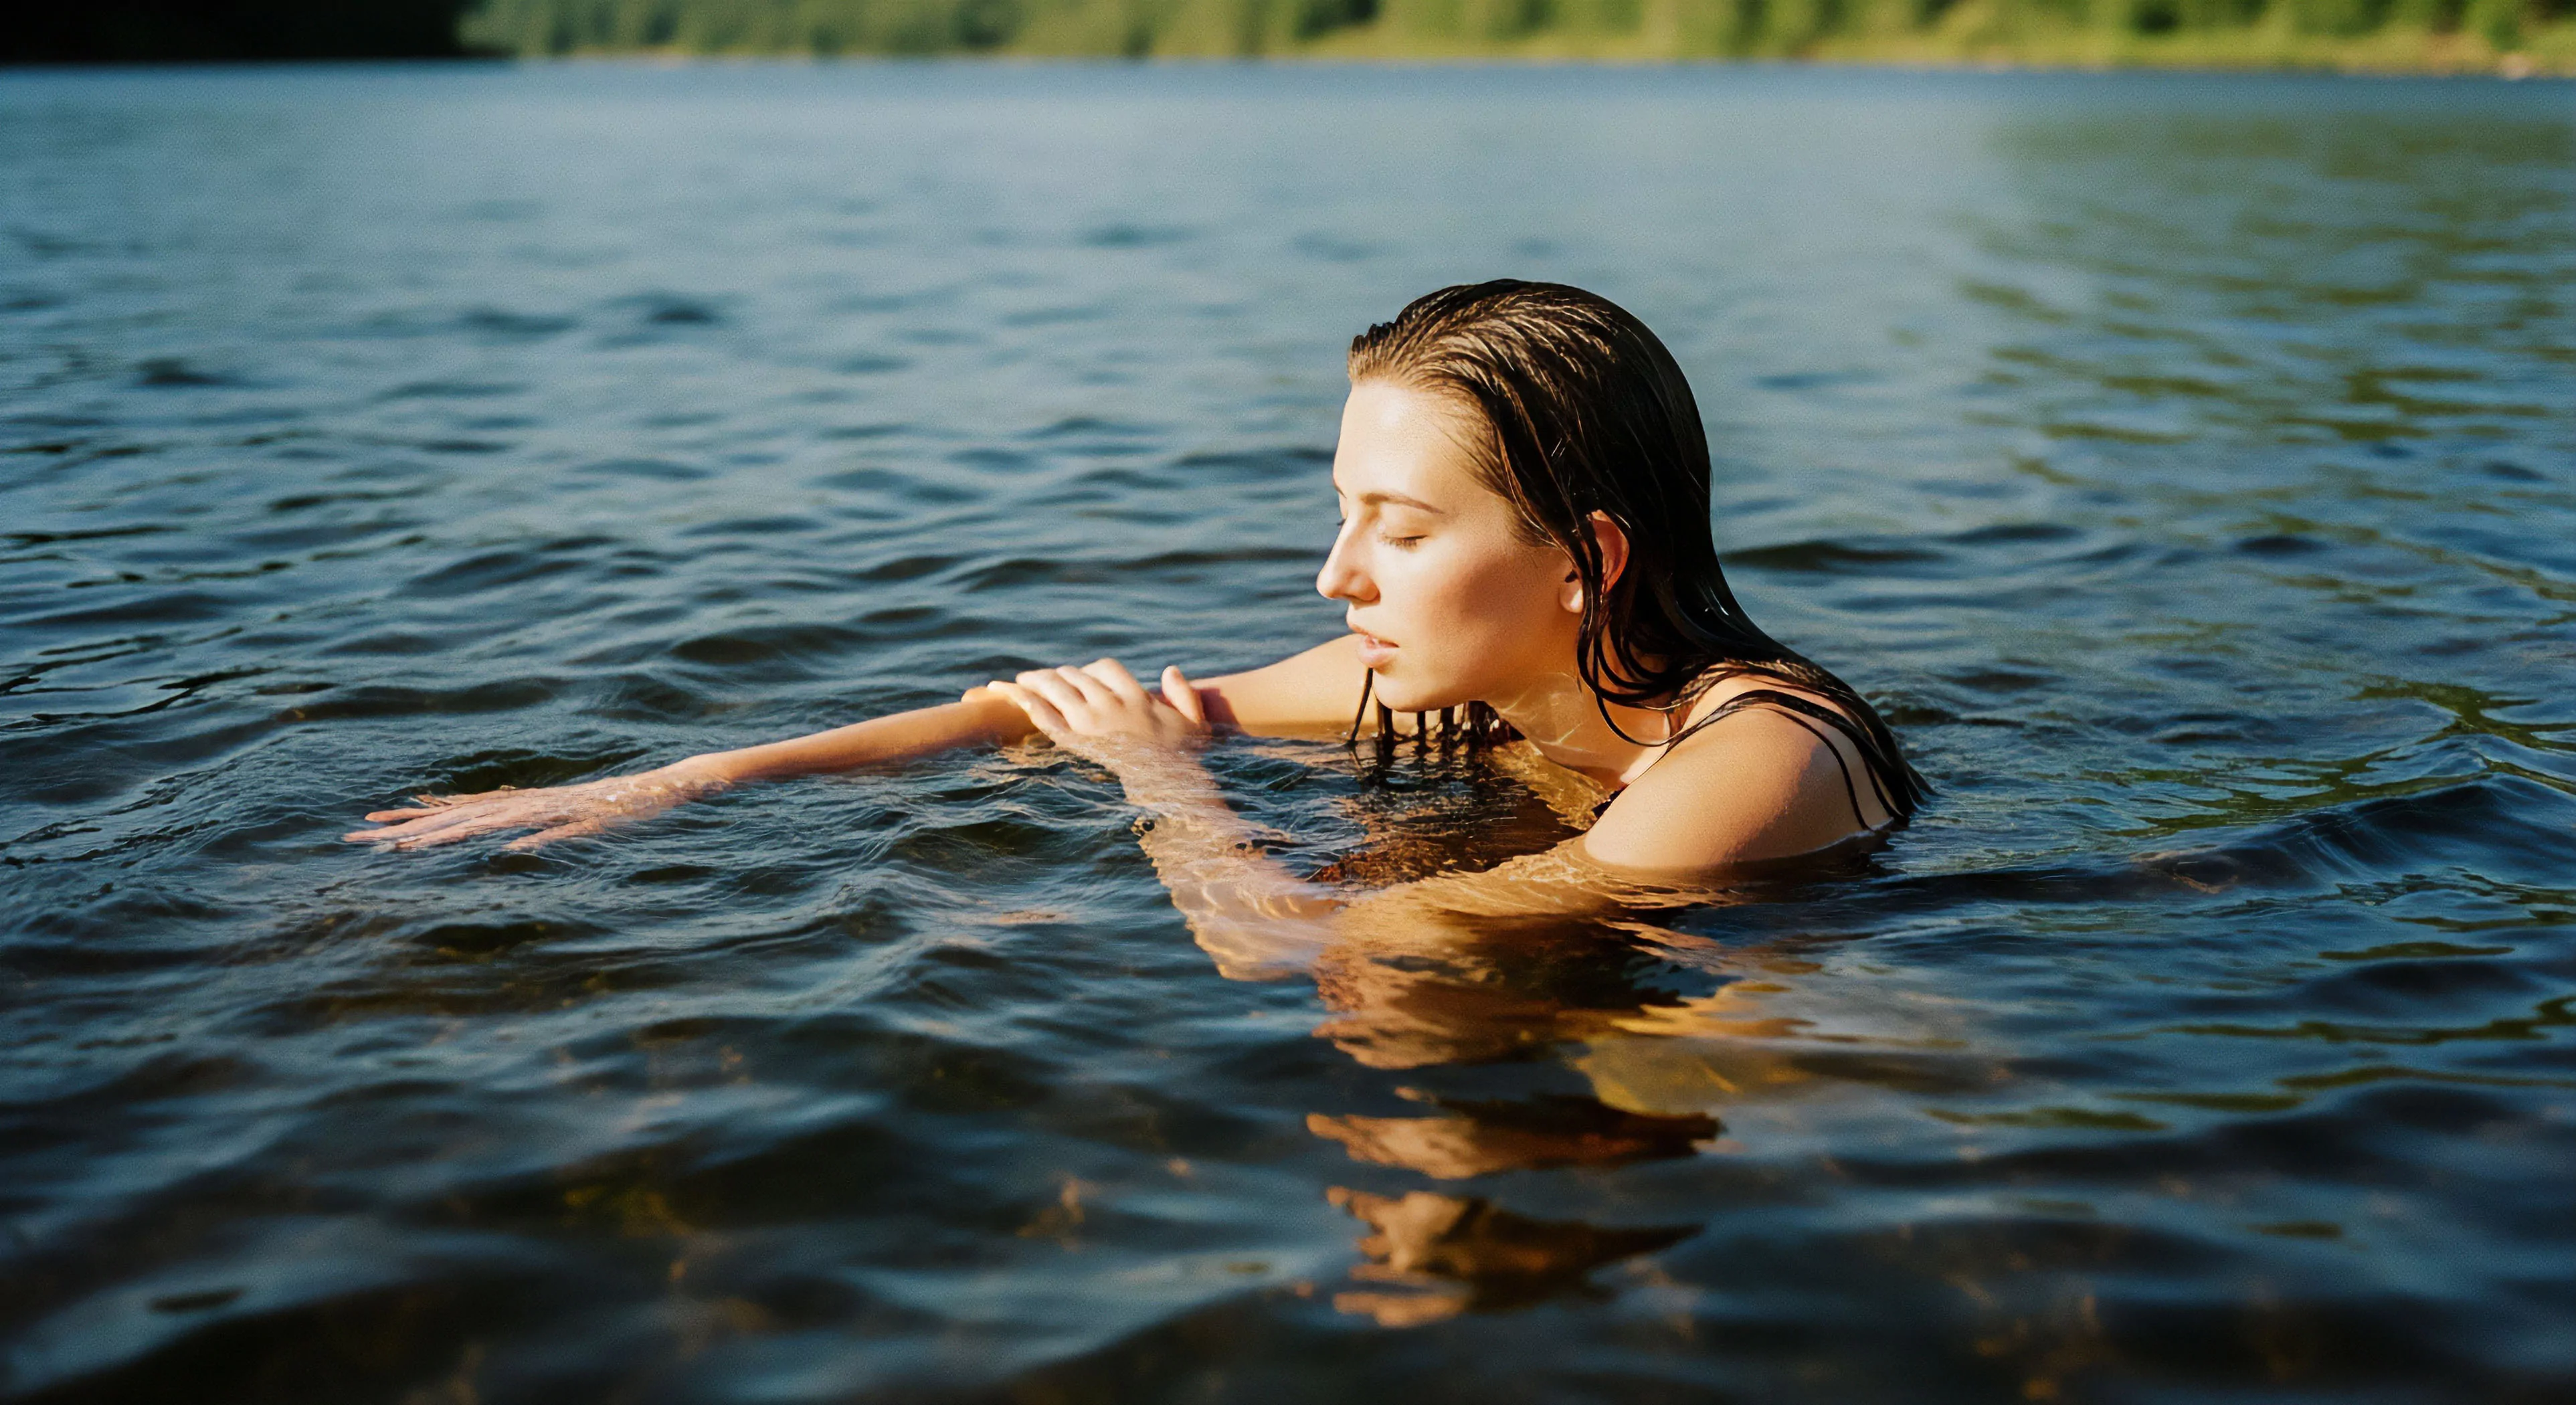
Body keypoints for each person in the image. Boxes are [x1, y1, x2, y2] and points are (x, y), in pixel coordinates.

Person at [347, 281, 1923, 971]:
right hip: (1582, 1003)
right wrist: (650, 791)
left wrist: (1168, 787)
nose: (1333, 575)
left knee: (1387, 993)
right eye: (1341, 509)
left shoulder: (1745, 771)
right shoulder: (1469, 680)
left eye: (1401, 528)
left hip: (1817, 1086)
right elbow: (1039, 711)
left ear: (1582, 554)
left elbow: (1275, 943)